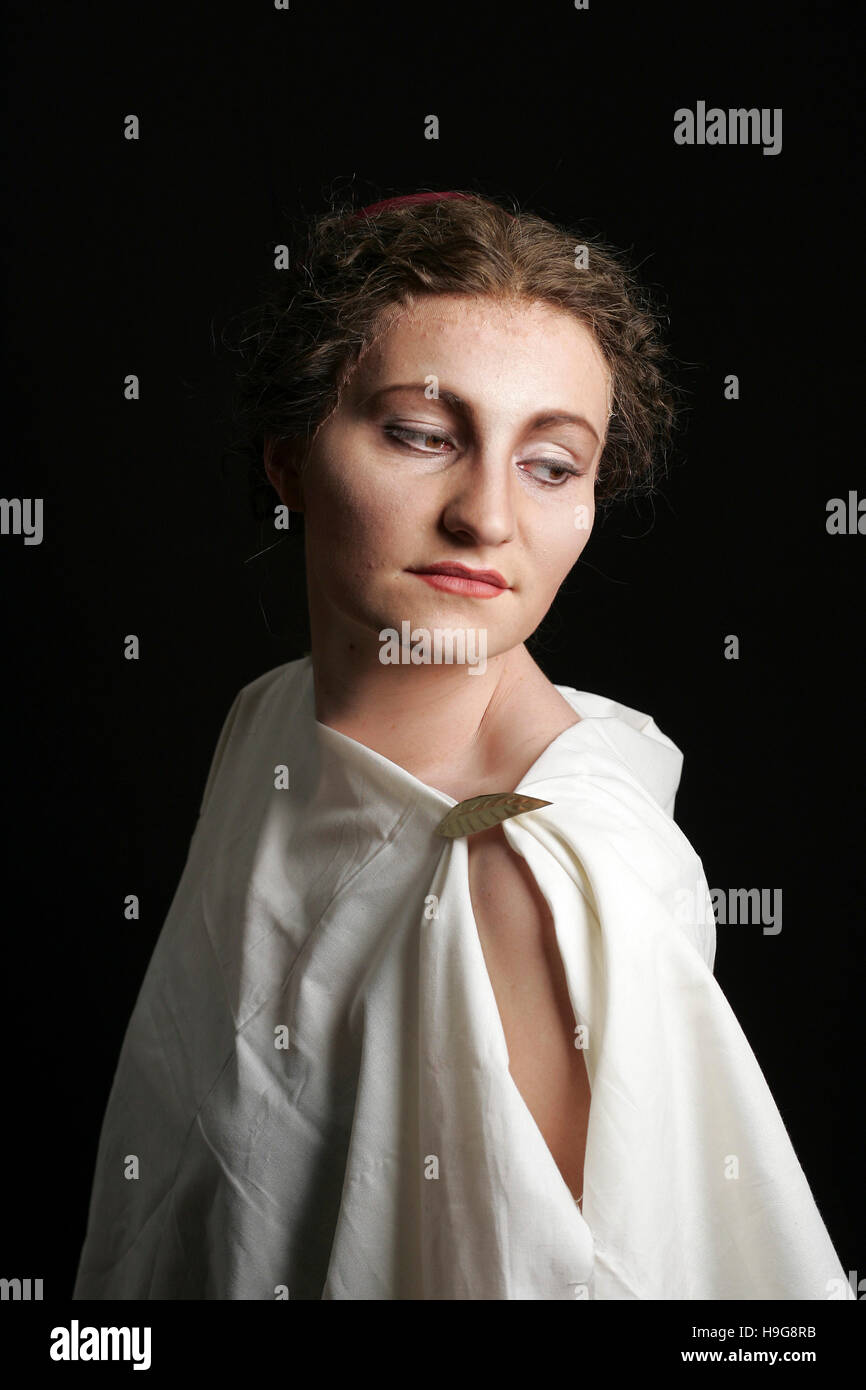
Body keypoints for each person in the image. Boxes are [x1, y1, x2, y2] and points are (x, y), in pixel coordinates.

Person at [73, 189, 851, 1300]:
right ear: (287, 459)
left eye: (549, 463)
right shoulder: (270, 717)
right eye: (423, 434)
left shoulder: (507, 877)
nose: (485, 516)